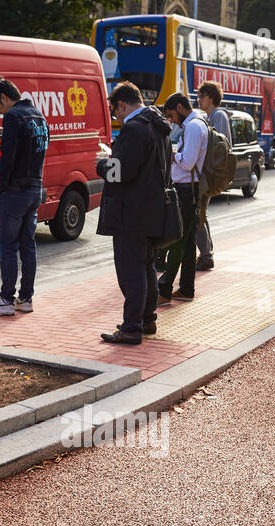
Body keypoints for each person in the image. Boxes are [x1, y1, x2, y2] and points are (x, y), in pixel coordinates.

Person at [96, 82, 172, 345]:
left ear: (122, 105)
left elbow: (121, 172)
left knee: (131, 271)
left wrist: (102, 164)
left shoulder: (133, 129)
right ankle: (147, 319)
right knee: (147, 267)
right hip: (152, 211)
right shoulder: (158, 125)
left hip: (130, 213)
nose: (114, 116)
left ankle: (131, 328)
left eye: (113, 110)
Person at [0, 78, 48, 316]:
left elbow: (8, 157)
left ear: (3, 97)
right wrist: (8, 135)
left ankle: (6, 299)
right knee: (28, 245)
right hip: (35, 188)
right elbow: (34, 148)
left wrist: (2, 187)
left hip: (15, 190)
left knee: (7, 245)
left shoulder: (12, 117)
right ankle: (26, 298)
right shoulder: (39, 116)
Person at [157, 92, 207, 305]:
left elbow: (187, 163)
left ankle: (164, 289)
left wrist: (171, 154)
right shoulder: (196, 124)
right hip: (190, 188)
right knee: (186, 242)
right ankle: (186, 288)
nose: (170, 120)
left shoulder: (194, 126)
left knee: (177, 240)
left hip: (187, 190)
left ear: (179, 107)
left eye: (170, 115)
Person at [193, 81, 231, 270]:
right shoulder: (210, 116)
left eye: (201, 96)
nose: (199, 100)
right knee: (201, 214)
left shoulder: (219, 116)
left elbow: (219, 148)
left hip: (209, 174)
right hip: (206, 173)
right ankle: (206, 254)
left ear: (211, 97)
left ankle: (207, 256)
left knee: (197, 214)